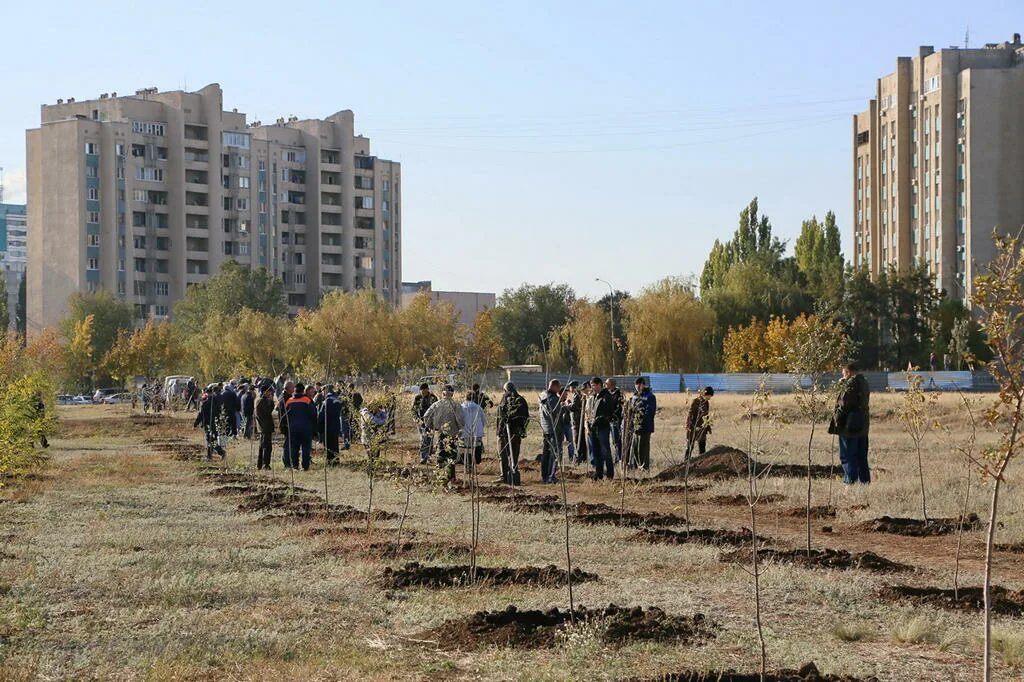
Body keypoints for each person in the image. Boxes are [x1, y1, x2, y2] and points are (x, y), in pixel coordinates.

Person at [829, 362, 871, 484]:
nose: (843, 376)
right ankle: (865, 482)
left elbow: (844, 403)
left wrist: (836, 419)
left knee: (847, 455)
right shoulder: (864, 381)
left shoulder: (851, 383)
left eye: (843, 373)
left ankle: (850, 481)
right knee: (861, 455)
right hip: (863, 424)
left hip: (850, 425)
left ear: (848, 372)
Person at [422, 385, 465, 481]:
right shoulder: (456, 405)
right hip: (452, 433)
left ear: (443, 393)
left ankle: (440, 476)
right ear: (452, 394)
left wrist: (431, 426)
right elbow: (460, 419)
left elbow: (426, 416)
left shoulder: (436, 404)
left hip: (440, 432)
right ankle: (450, 477)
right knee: (451, 455)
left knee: (441, 453)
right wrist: (460, 429)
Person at [496, 381, 529, 485]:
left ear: (505, 390)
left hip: (505, 433)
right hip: (517, 433)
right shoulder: (521, 400)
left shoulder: (505, 399)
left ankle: (504, 477)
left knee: (503, 455)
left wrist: (500, 430)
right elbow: (526, 417)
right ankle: (513, 474)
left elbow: (501, 417)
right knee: (514, 455)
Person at [584, 377, 614, 480]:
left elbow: (609, 412)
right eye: (592, 385)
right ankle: (599, 473)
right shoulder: (593, 397)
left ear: (600, 385)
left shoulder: (606, 396)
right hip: (593, 428)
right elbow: (589, 412)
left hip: (603, 428)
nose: (593, 387)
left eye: (594, 385)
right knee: (596, 452)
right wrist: (588, 424)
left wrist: (599, 419)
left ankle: (610, 474)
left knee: (605, 451)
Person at [538, 380, 565, 484]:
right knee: (554, 454)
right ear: (554, 387)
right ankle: (550, 476)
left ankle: (545, 475)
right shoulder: (554, 399)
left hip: (546, 429)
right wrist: (565, 408)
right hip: (554, 429)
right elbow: (554, 413)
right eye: (558, 387)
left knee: (546, 453)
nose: (559, 390)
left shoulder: (543, 396)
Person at [284, 383, 316, 471]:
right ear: (303, 391)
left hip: (293, 428)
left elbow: (285, 416)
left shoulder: (289, 401)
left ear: (295, 390)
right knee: (306, 448)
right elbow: (313, 414)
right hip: (306, 428)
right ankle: (305, 466)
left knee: (294, 448)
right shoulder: (307, 400)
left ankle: (295, 465)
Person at [627, 377, 656, 471]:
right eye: (636, 385)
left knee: (643, 448)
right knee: (635, 447)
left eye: (640, 385)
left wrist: (641, 423)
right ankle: (635, 466)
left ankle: (644, 467)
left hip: (645, 427)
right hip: (635, 426)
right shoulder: (635, 395)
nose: (638, 387)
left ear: (644, 385)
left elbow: (650, 412)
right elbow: (631, 409)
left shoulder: (650, 396)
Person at [193, 384, 226, 459]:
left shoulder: (206, 403)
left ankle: (221, 452)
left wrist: (196, 423)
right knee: (211, 438)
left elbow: (201, 414)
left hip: (208, 423)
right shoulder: (217, 401)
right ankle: (209, 455)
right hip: (215, 422)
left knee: (210, 439)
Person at [412, 383, 439, 464]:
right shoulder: (418, 398)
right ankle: (424, 457)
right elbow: (413, 410)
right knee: (424, 439)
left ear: (427, 389)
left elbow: (437, 410)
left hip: (431, 422)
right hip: (421, 422)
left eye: (424, 390)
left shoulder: (433, 398)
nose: (422, 392)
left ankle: (428, 457)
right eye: (421, 390)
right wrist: (416, 419)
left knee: (430, 440)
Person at [317, 386, 343, 465]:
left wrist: (319, 426)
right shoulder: (338, 399)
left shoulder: (327, 401)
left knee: (328, 445)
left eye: (323, 391)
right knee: (335, 444)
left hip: (327, 426)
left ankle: (329, 461)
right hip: (336, 425)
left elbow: (322, 415)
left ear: (326, 391)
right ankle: (336, 461)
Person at [461, 391, 486, 472]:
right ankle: (473, 466)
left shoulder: (461, 407)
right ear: (474, 398)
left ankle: (467, 468)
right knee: (475, 450)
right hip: (477, 433)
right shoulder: (479, 408)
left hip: (465, 432)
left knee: (466, 450)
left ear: (465, 397)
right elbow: (484, 420)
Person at [686, 387, 714, 457]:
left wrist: (708, 427)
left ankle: (701, 462)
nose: (710, 398)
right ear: (705, 394)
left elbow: (706, 416)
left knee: (702, 447)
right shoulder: (695, 401)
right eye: (709, 396)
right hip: (693, 427)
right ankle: (686, 462)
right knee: (690, 447)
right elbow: (690, 414)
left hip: (702, 428)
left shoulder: (707, 403)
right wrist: (688, 425)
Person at [564, 381, 588, 465]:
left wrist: (567, 405)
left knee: (577, 441)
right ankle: (583, 458)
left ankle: (579, 458)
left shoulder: (576, 395)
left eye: (570, 387)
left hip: (577, 422)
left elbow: (574, 407)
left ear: (573, 387)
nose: (569, 389)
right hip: (578, 421)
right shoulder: (579, 394)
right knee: (581, 441)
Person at [254, 381, 276, 470]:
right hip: (265, 427)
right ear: (265, 392)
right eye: (269, 391)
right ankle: (265, 464)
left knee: (263, 446)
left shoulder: (260, 400)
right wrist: (270, 402)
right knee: (266, 447)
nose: (271, 393)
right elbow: (266, 413)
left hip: (264, 427)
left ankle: (260, 464)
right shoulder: (261, 401)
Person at [276, 380, 295, 468]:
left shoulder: (284, 396)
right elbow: (284, 413)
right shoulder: (285, 398)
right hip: (286, 424)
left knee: (289, 443)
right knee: (288, 444)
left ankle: (288, 462)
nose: (294, 389)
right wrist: (286, 424)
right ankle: (287, 463)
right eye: (293, 387)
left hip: (286, 424)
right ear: (290, 388)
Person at [605, 379, 624, 463]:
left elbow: (619, 407)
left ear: (611, 384)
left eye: (607, 383)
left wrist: (612, 414)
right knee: (613, 440)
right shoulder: (608, 393)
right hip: (610, 420)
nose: (605, 385)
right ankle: (616, 457)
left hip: (616, 419)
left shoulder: (618, 394)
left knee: (617, 440)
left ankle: (619, 458)